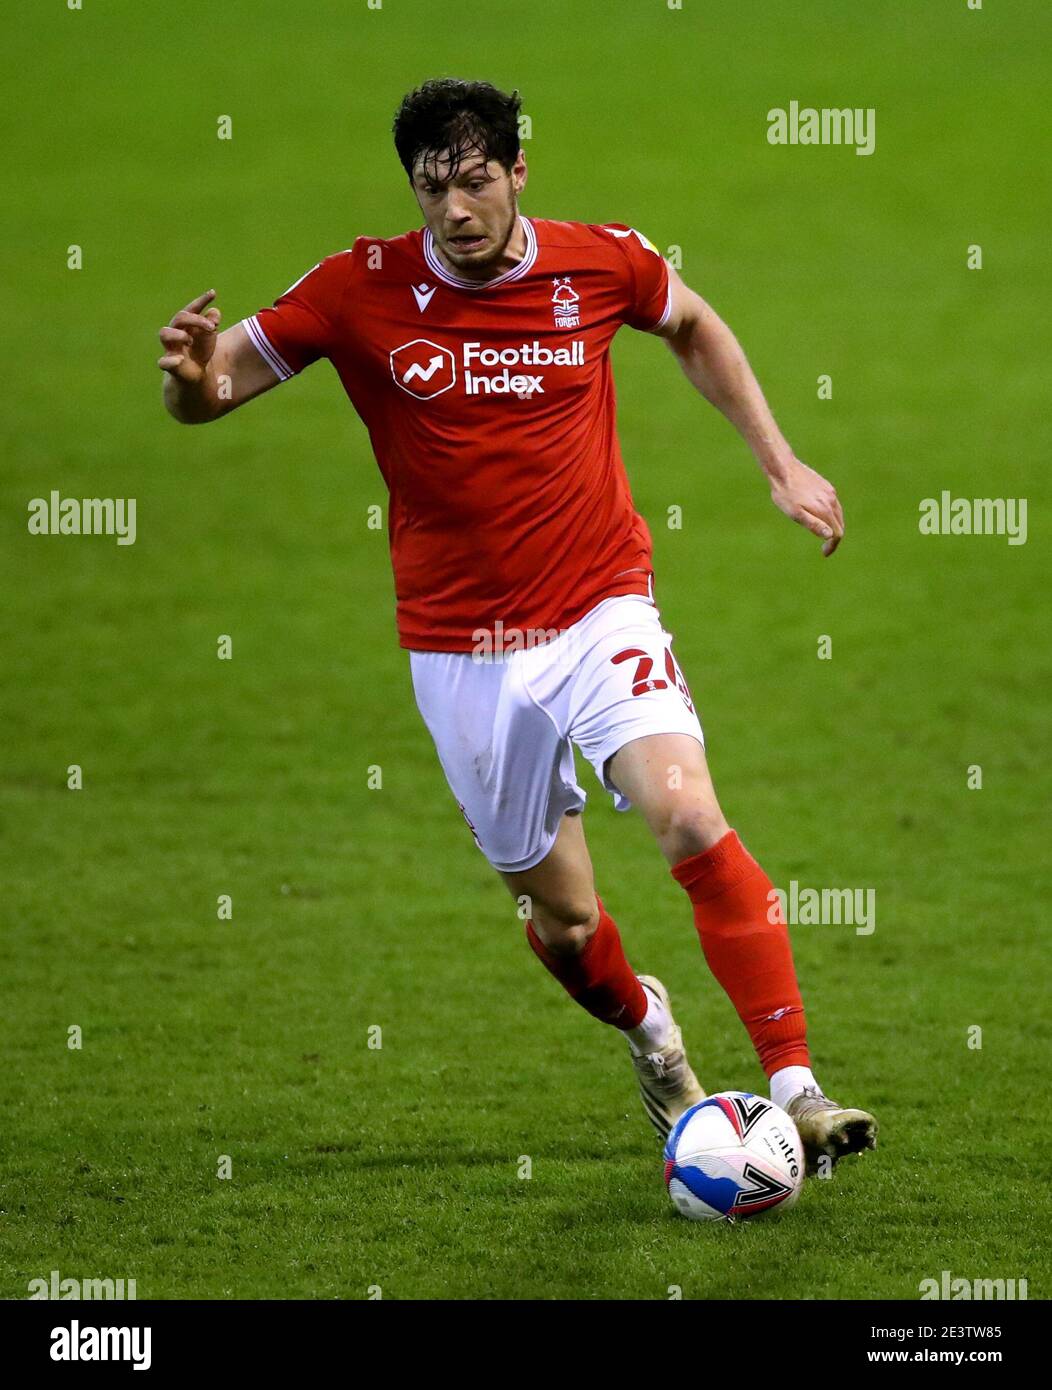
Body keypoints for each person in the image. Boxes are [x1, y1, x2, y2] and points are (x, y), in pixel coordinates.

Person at [158, 78, 877, 1174]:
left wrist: (779, 463)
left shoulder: (596, 263)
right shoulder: (357, 288)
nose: (455, 208)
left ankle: (798, 1087)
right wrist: (184, 380)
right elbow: (216, 390)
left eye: (476, 179)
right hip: (461, 651)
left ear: (516, 171)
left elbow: (689, 321)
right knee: (569, 925)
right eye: (432, 186)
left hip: (599, 606)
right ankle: (651, 1036)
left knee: (685, 811)